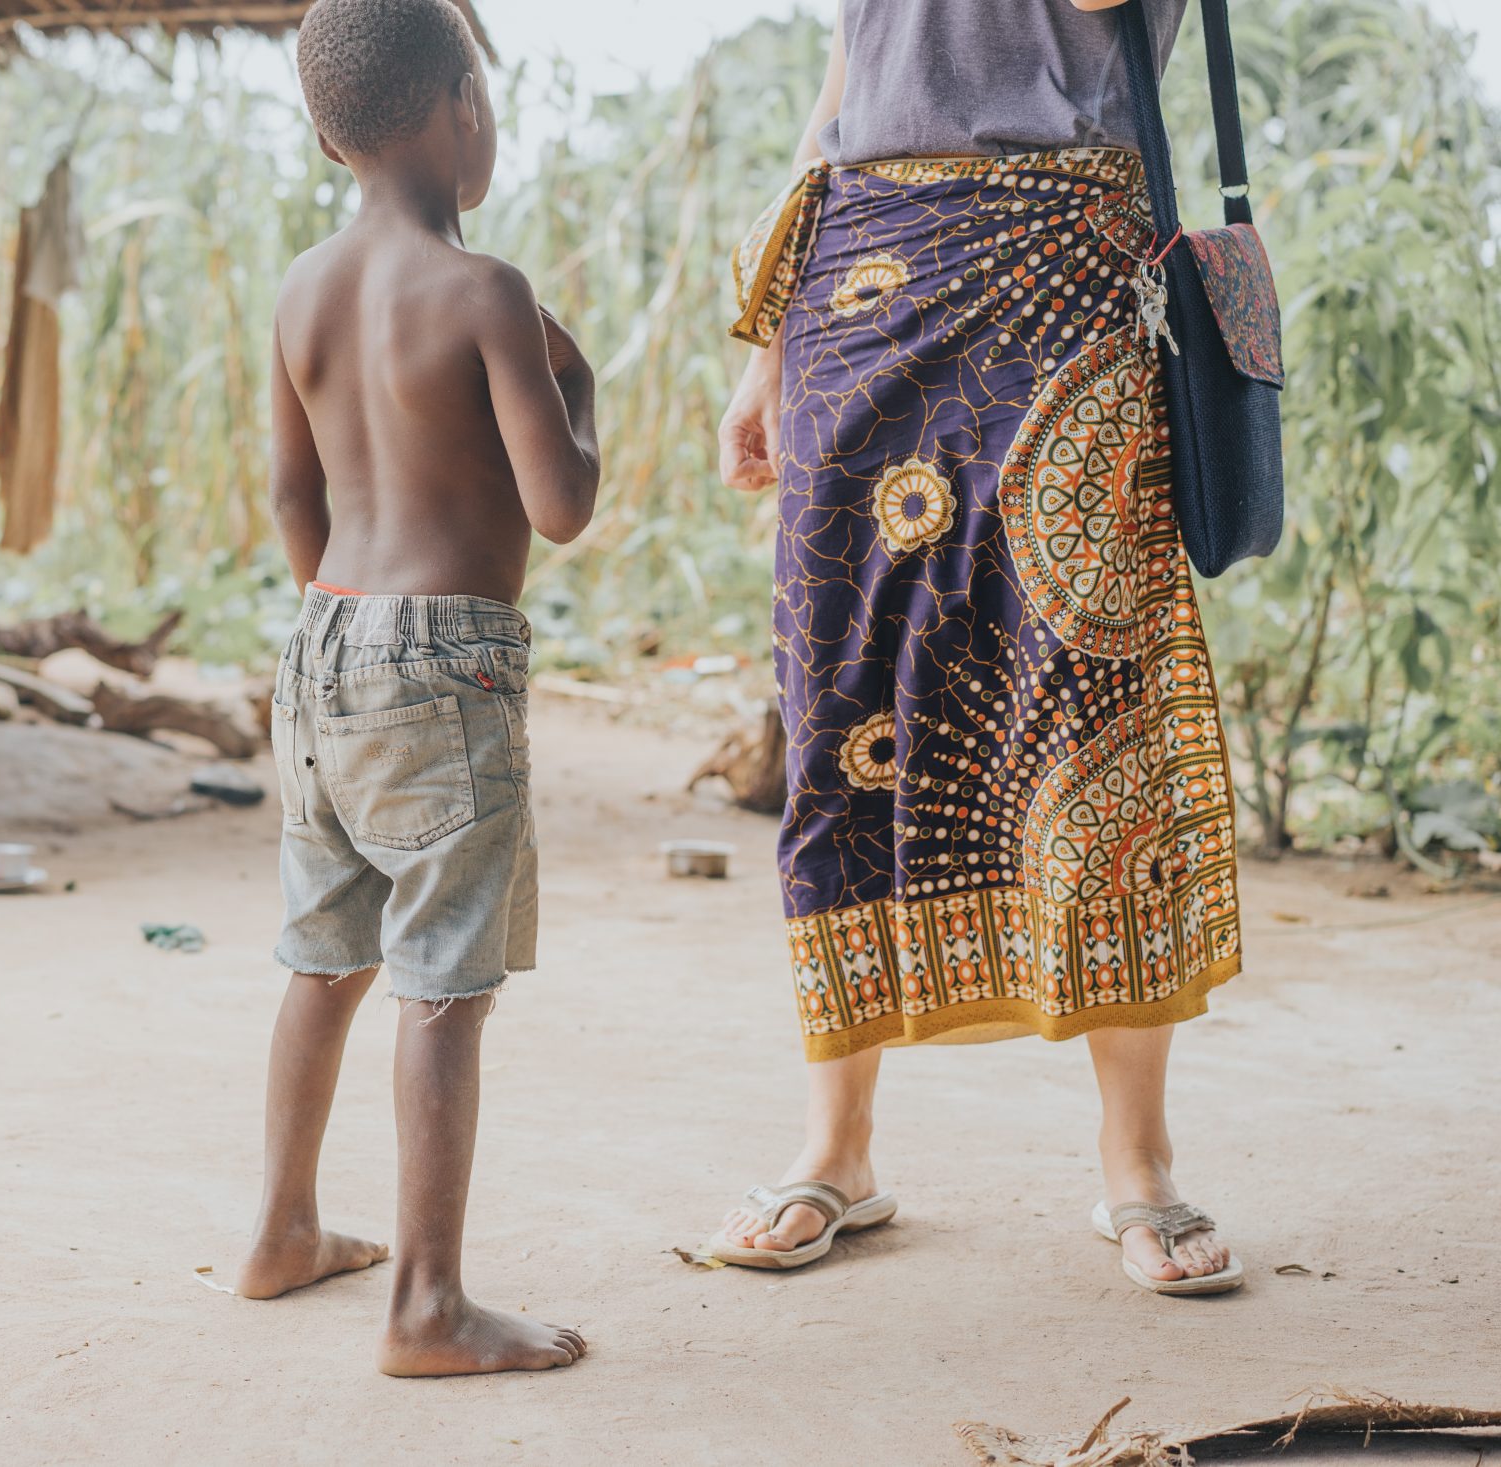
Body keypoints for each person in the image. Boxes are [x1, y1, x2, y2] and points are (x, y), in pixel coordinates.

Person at [705, 0, 1246, 1295]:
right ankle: (837, 1151)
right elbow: (847, 78)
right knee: (844, 704)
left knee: (1095, 697)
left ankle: (1140, 1164)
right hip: (860, 270)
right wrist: (770, 342)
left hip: (1062, 265)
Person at [233, 0, 601, 1373]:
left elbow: (289, 491)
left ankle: (280, 1230)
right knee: (443, 986)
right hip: (445, 658)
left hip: (322, 638)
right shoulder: (487, 294)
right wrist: (584, 383)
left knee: (327, 955)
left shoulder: (302, 290)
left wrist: (345, 608)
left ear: (330, 132)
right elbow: (556, 504)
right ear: (462, 105)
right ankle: (427, 1306)